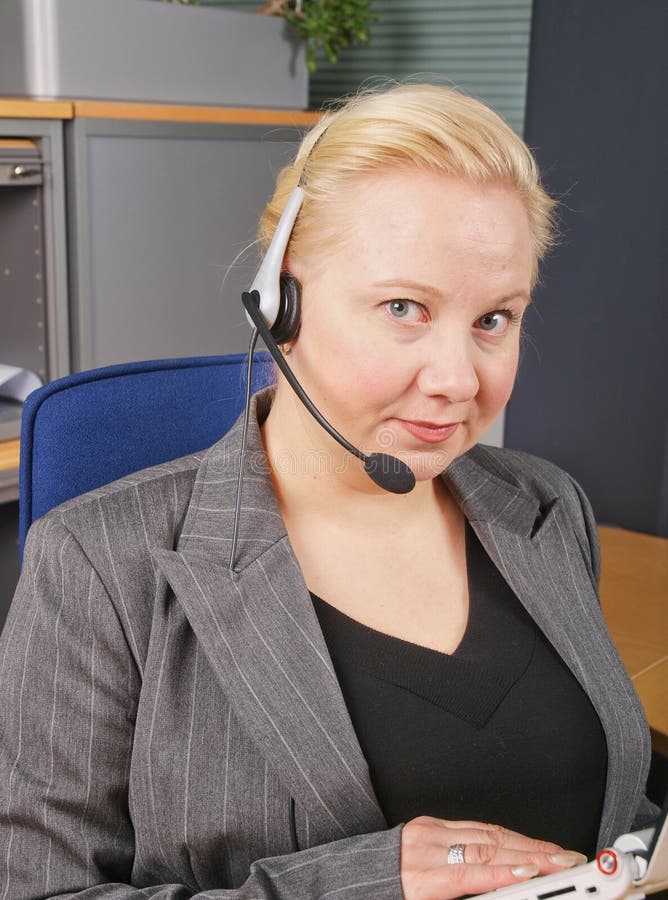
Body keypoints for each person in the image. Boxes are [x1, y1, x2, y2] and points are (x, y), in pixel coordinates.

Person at [0, 83, 658, 899]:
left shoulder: (548, 506)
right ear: (280, 304)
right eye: (404, 307)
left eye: (495, 319)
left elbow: (605, 800)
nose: (458, 381)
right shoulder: (98, 565)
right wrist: (355, 884)